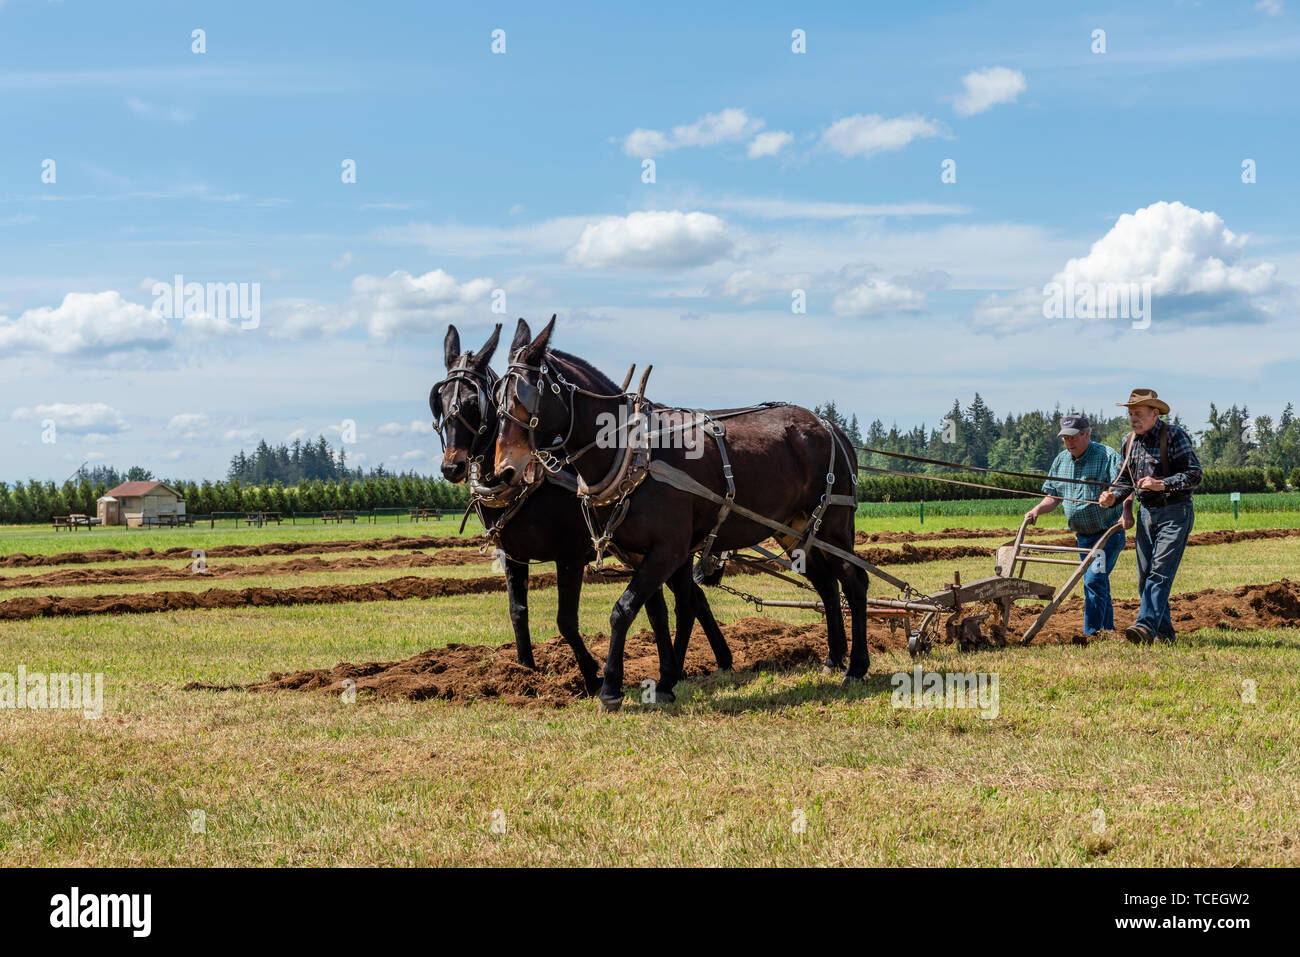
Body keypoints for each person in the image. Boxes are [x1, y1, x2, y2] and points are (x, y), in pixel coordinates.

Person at [1098, 389, 1202, 644]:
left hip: (1175, 511)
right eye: (1131, 413)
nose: (1133, 418)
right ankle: (1164, 635)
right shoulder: (1129, 441)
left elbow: (1194, 474)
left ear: (1155, 413)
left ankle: (1144, 627)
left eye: (1139, 413)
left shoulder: (1174, 435)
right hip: (1146, 514)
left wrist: (1161, 484)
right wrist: (1113, 496)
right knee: (1145, 578)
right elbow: (1124, 482)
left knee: (1160, 573)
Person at [1025, 413, 1133, 635]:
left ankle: (1091, 634)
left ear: (1087, 434)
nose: (1069, 443)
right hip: (1083, 537)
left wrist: (1126, 513)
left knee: (1093, 579)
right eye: (1065, 438)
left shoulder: (1106, 456)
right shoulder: (1061, 460)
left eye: (1073, 437)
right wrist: (1037, 509)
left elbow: (1125, 488)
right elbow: (1053, 497)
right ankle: (1107, 631)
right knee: (1098, 582)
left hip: (1107, 535)